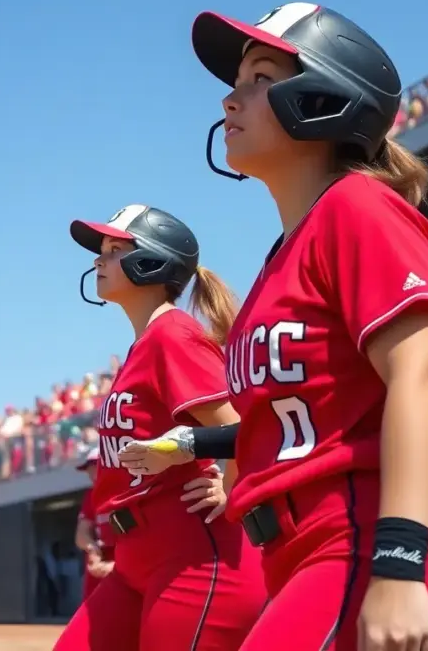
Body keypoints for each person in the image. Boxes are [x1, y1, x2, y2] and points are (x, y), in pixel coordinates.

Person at [119, 2, 428, 650]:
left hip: (376, 549)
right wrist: (190, 445)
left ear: (323, 97)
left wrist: (400, 565)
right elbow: (308, 417)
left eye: (261, 79)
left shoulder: (356, 206)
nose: (230, 98)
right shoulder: (280, 259)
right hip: (310, 555)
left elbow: (422, 370)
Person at [53, 204, 267, 651]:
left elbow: (245, 429)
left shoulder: (173, 334)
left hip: (193, 557)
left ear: (148, 262)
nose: (99, 259)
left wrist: (230, 490)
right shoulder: (144, 344)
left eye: (113, 250)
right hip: (136, 559)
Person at [73, 449, 116, 602]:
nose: (91, 473)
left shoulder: (126, 492)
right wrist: (92, 548)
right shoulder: (91, 496)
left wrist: (116, 566)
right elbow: (81, 534)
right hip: (100, 561)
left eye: (95, 466)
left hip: (125, 561)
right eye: (89, 468)